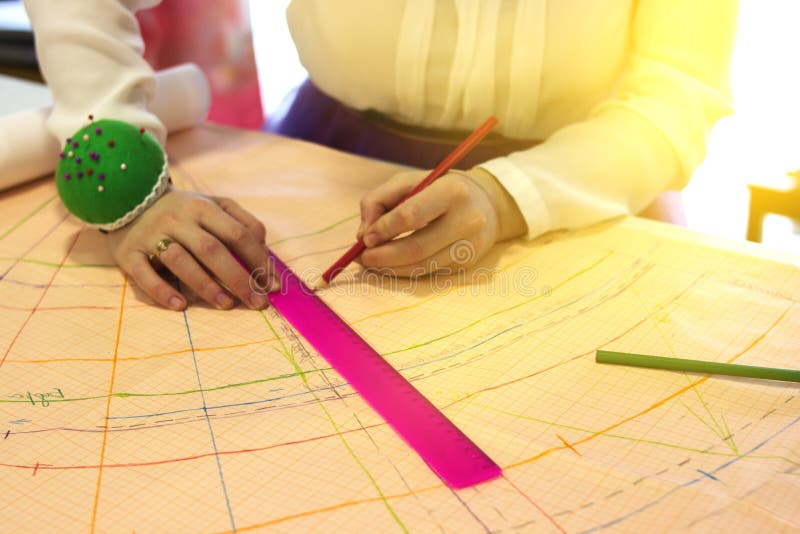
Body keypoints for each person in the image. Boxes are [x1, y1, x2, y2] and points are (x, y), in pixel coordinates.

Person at [23, 0, 738, 310]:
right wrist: (121, 177)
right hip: (330, 151)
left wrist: (507, 195)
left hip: (583, 182)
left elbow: (676, 96)